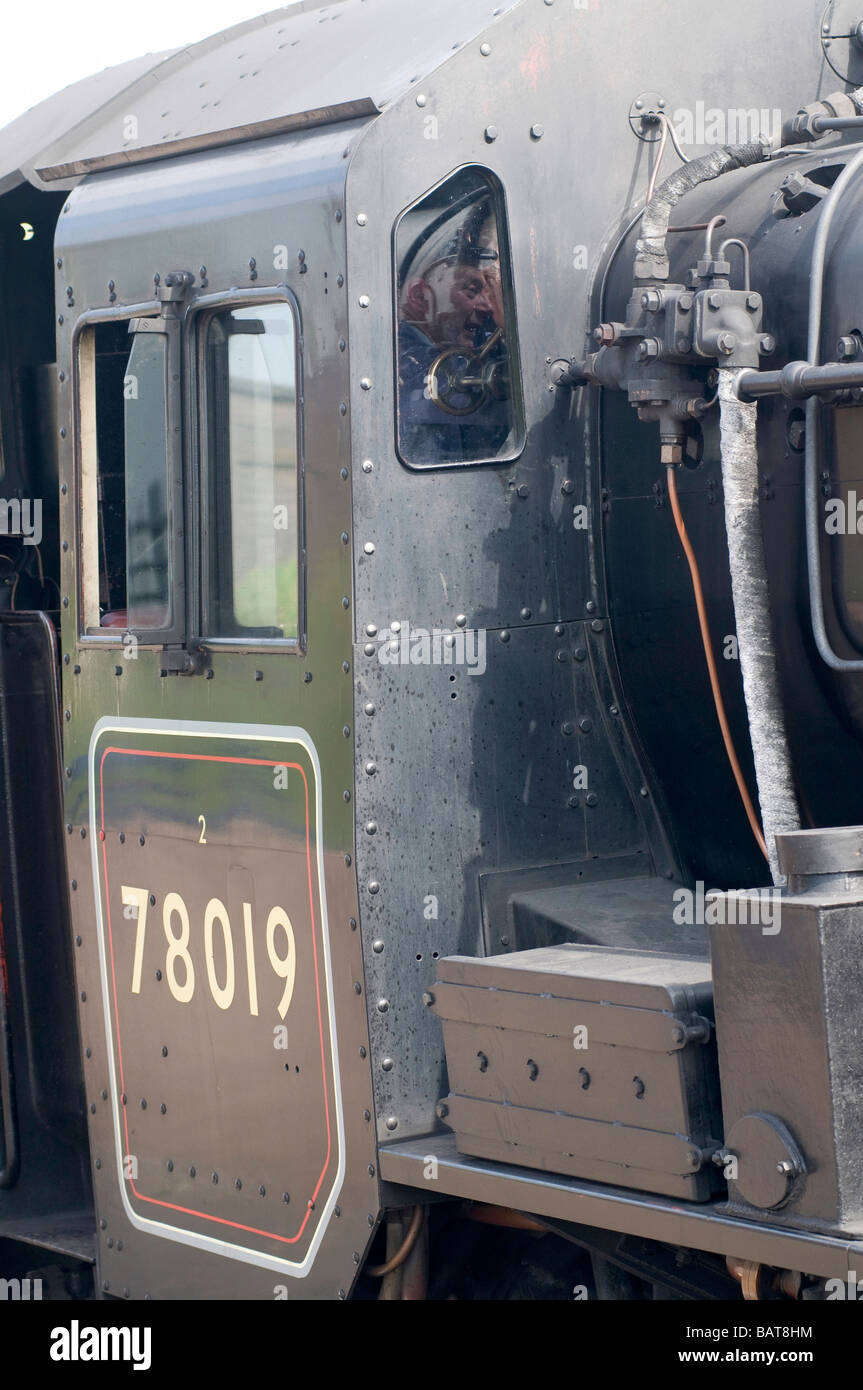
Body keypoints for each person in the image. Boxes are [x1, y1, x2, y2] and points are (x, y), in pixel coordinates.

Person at [396, 199, 512, 465]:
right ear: (419, 296)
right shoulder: (406, 363)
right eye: (472, 291)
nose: (487, 306)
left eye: (490, 291)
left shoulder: (468, 348)